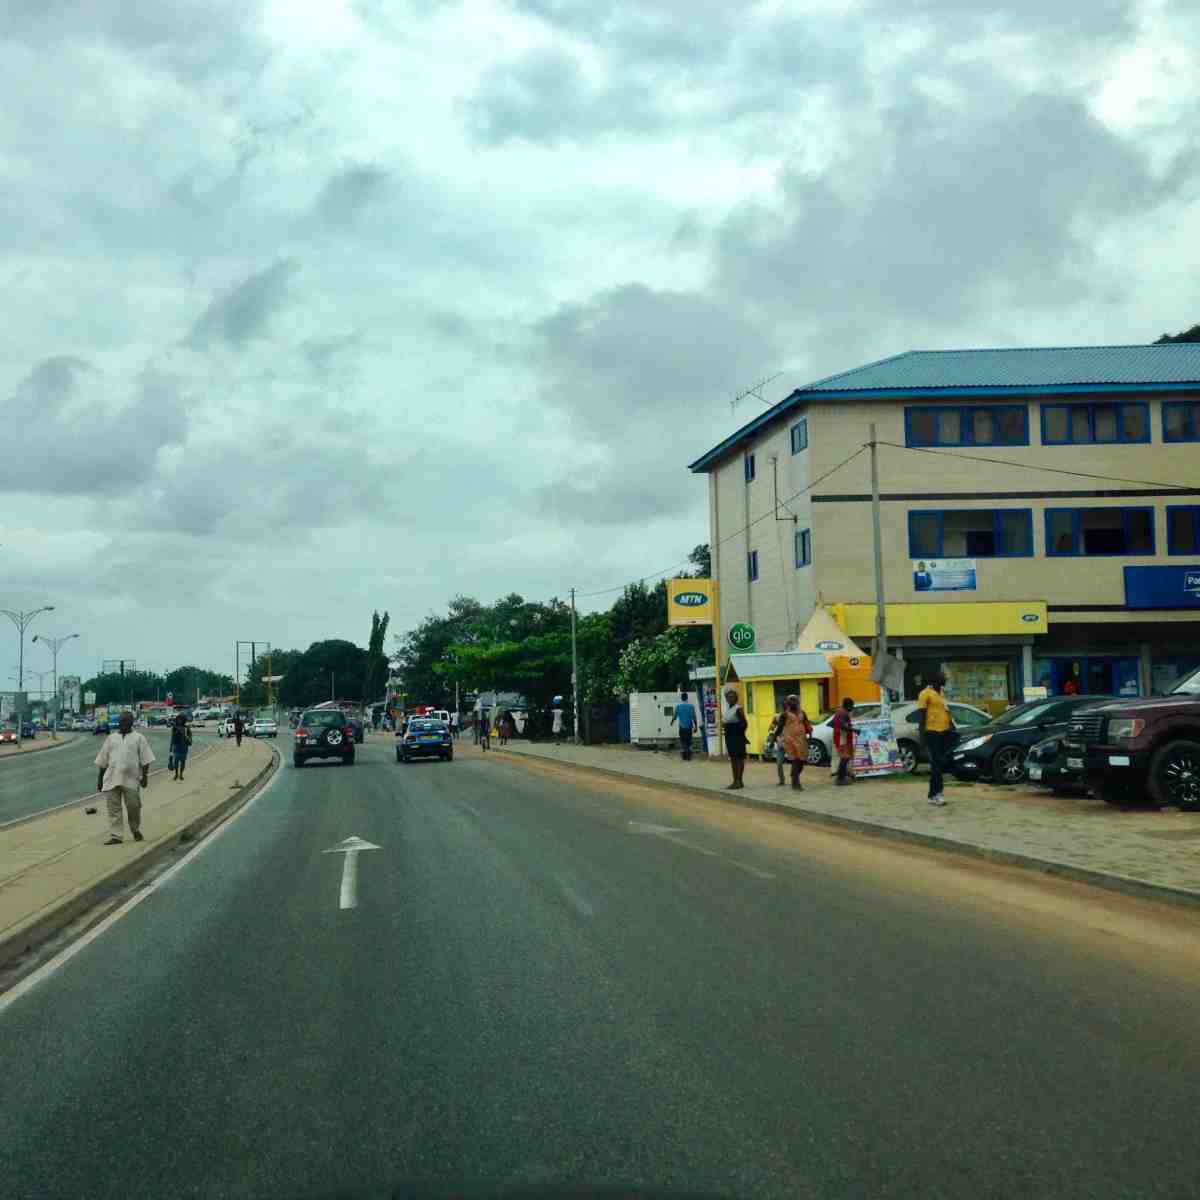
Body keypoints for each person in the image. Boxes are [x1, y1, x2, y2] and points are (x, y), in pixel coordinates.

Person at [94, 710, 155, 845]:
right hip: (111, 778)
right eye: (122, 721)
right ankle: (116, 835)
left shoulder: (139, 738)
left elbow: (146, 759)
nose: (124, 723)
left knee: (134, 806)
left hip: (131, 779)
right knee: (113, 808)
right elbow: (103, 760)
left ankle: (135, 829)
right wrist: (100, 779)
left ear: (132, 722)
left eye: (127, 721)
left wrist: (145, 778)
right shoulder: (111, 738)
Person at [916, 673, 955, 806]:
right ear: (935, 680)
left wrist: (952, 726)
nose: (945, 679)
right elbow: (921, 718)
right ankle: (936, 794)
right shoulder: (925, 694)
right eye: (942, 677)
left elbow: (946, 711)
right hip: (932, 732)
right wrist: (922, 738)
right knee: (936, 763)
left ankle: (934, 793)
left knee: (940, 763)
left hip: (944, 732)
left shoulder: (941, 694)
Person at [778, 695, 813, 790]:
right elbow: (779, 728)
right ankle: (796, 784)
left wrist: (810, 736)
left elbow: (807, 725)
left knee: (802, 761)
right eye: (791, 700)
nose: (793, 702)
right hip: (790, 740)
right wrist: (773, 740)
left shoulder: (802, 713)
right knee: (796, 760)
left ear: (798, 702)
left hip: (801, 740)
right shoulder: (784, 715)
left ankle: (794, 775)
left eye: (795, 700)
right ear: (788, 703)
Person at [722, 686, 748, 789]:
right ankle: (735, 780)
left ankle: (739, 781)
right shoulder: (728, 709)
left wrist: (735, 730)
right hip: (729, 737)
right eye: (728, 697)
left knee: (739, 759)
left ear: (736, 697)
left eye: (732, 696)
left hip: (737, 737)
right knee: (733, 759)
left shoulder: (738, 709)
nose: (730, 698)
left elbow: (744, 724)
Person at [830, 697, 856, 786]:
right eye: (852, 705)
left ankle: (843, 776)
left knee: (845, 757)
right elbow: (841, 725)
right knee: (845, 757)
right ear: (847, 705)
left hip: (840, 737)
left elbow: (832, 723)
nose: (853, 707)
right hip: (841, 738)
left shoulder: (840, 712)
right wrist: (854, 729)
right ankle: (840, 779)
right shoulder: (843, 713)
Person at [670, 690, 698, 760]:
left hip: (682, 727)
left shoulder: (678, 707)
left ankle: (684, 755)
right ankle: (688, 755)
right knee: (688, 741)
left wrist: (671, 722)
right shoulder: (691, 706)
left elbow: (674, 717)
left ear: (681, 698)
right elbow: (694, 717)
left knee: (683, 741)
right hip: (689, 727)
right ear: (687, 698)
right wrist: (696, 727)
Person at [169, 712, 192, 781]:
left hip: (184, 748)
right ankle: (176, 774)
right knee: (176, 762)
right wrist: (170, 750)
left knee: (182, 762)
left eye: (181, 719)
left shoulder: (187, 728)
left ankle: (181, 774)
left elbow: (190, 738)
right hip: (176, 747)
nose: (179, 721)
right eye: (178, 719)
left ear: (183, 720)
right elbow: (172, 739)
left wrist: (185, 735)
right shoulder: (174, 728)